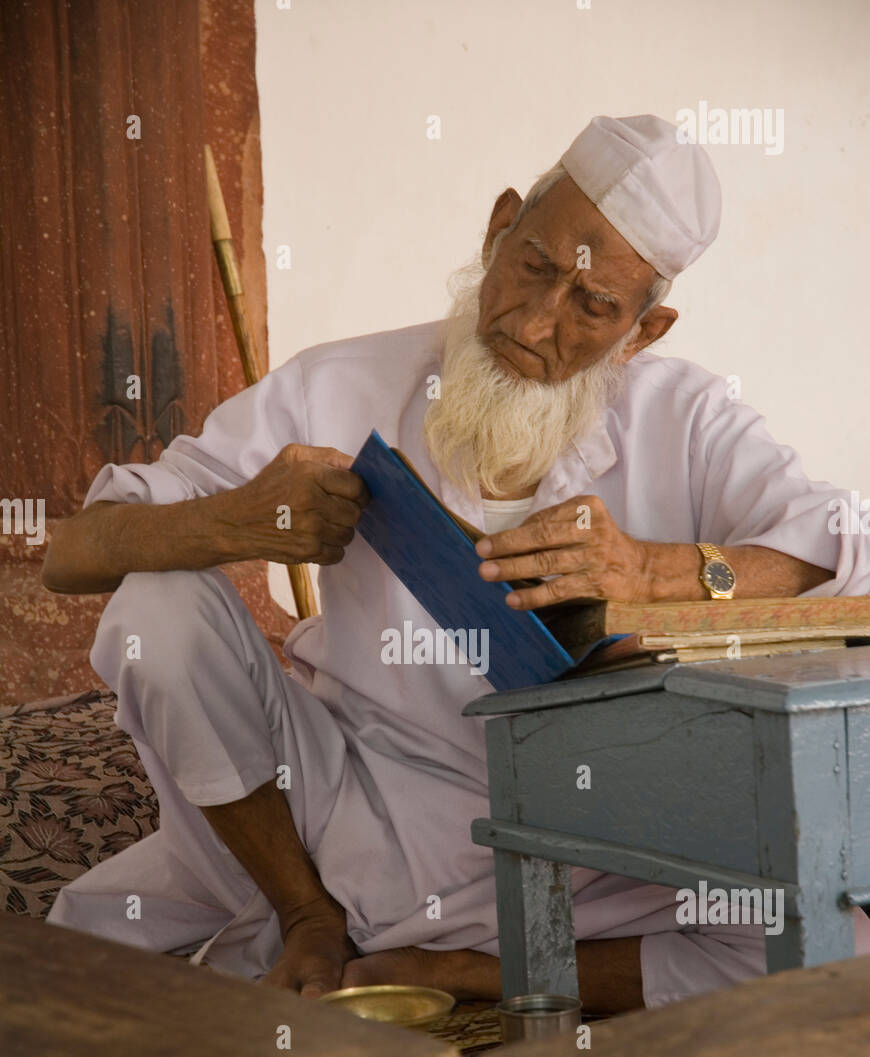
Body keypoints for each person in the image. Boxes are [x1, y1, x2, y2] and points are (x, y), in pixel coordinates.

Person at [42, 115, 870, 1012]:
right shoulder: (337, 385)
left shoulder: (692, 419)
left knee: (832, 943)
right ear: (499, 227)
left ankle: (480, 972)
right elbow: (75, 553)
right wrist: (239, 519)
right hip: (344, 799)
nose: (538, 319)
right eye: (536, 267)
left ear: (644, 328)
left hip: (589, 842)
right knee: (155, 613)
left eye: (593, 306)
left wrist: (664, 572)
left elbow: (843, 551)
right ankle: (305, 917)